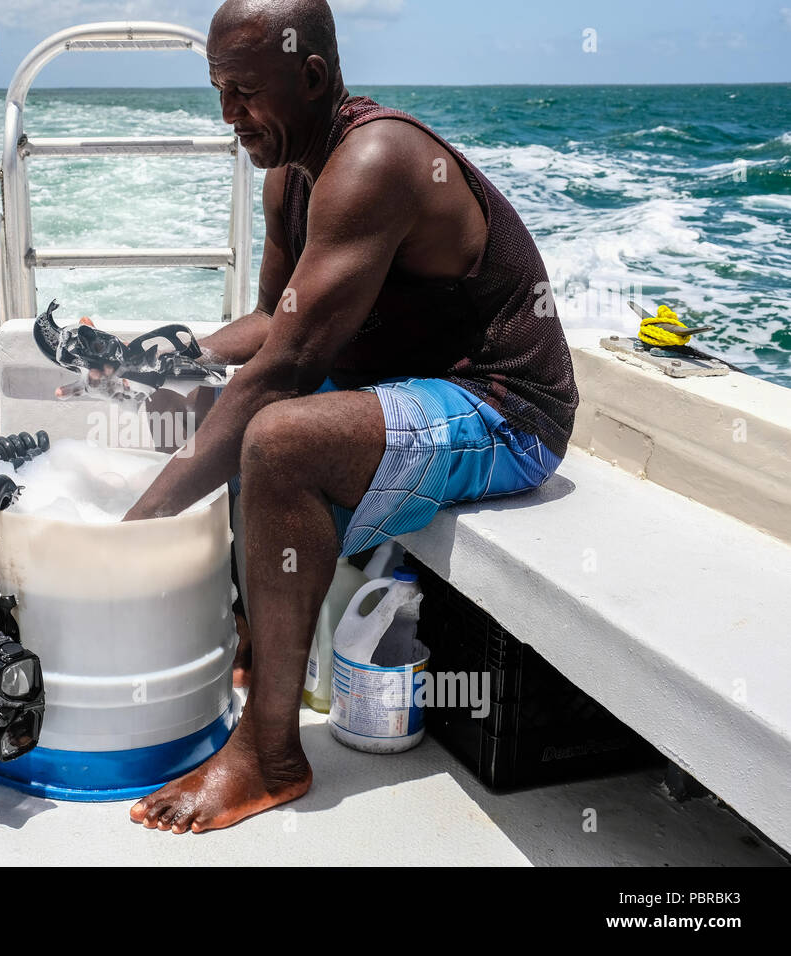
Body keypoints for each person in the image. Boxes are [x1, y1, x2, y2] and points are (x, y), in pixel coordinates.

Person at [95, 0, 579, 833]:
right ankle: (256, 634)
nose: (227, 116)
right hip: (412, 387)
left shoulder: (376, 161)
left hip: (506, 410)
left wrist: (134, 528)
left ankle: (270, 755)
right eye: (217, 90)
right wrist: (170, 357)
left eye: (244, 92)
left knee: (277, 436)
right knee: (229, 405)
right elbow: (273, 323)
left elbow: (285, 368)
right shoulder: (292, 171)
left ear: (311, 76)